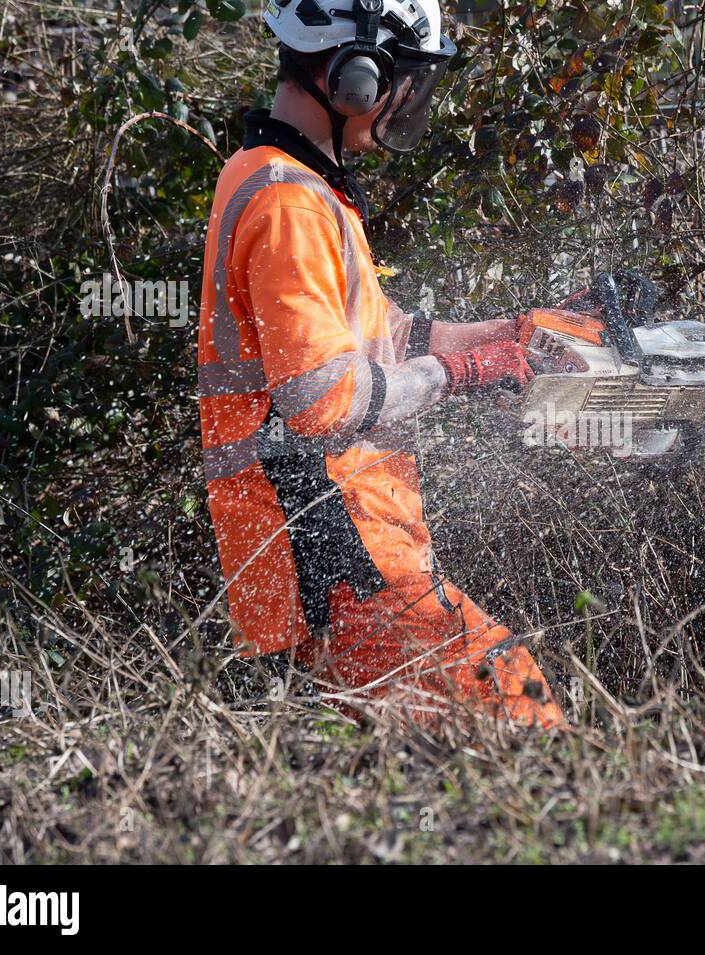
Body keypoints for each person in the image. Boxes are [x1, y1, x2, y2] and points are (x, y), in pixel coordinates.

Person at [195, 0, 564, 728]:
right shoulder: (288, 202)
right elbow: (322, 397)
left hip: (341, 551)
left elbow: (379, 339)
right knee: (519, 717)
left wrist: (514, 331)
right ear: (355, 77)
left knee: (431, 766)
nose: (409, 99)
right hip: (334, 552)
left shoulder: (287, 183)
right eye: (407, 79)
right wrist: (465, 373)